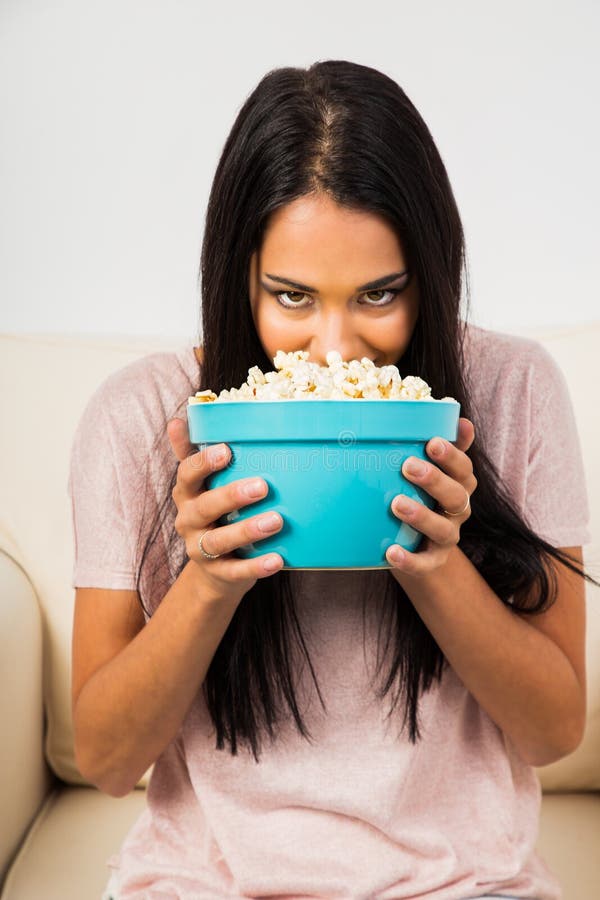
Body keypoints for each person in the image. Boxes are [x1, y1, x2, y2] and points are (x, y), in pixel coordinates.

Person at [68, 60, 596, 900]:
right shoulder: (139, 418)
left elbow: (553, 731)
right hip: (203, 886)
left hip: (464, 884)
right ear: (237, 276)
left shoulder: (514, 389)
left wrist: (436, 560)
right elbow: (103, 760)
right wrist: (208, 579)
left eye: (380, 294)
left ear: (431, 272)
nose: (337, 349)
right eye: (292, 297)